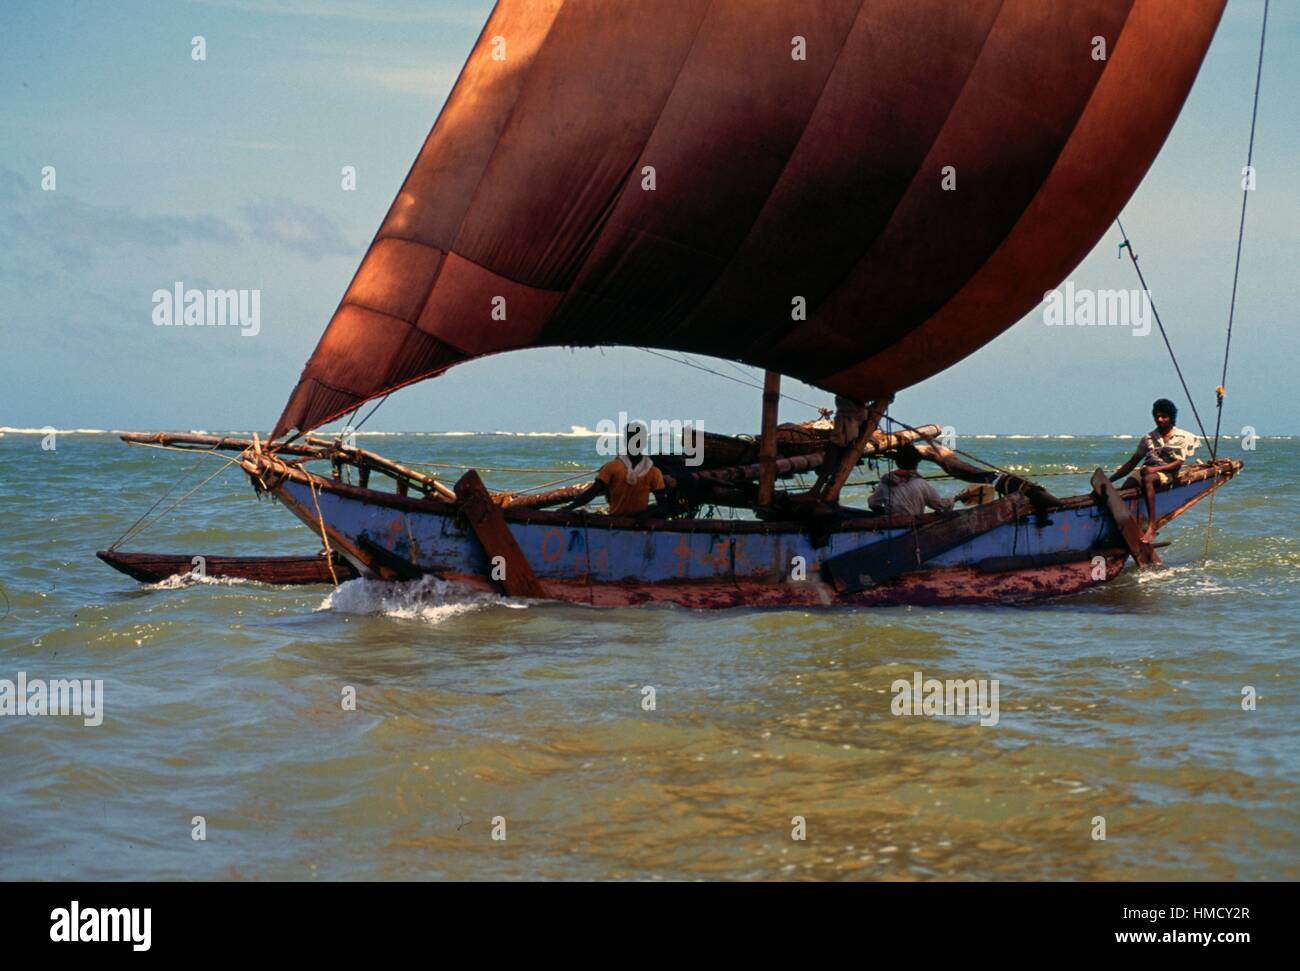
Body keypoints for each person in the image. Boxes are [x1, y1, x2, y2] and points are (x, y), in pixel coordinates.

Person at [1109, 398, 1198, 542]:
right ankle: (1127, 525)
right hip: (1148, 470)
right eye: (1157, 417)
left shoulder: (1181, 437)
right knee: (1125, 489)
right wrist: (1110, 481)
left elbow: (1177, 463)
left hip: (1168, 473)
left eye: (1164, 416)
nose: (1160, 419)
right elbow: (1132, 463)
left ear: (1171, 417)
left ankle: (1151, 526)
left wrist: (1155, 469)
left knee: (1148, 479)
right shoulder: (1149, 438)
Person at [564, 422, 669, 517]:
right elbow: (663, 506)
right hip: (633, 523)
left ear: (625, 441)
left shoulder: (611, 467)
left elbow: (592, 493)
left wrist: (569, 508)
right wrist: (645, 516)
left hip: (617, 522)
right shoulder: (653, 472)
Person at [869, 443, 953, 517]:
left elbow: (872, 503)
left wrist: (887, 514)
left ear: (897, 463)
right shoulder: (921, 483)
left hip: (891, 526)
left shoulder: (886, 480)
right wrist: (955, 499)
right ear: (916, 464)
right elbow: (940, 505)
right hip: (912, 528)